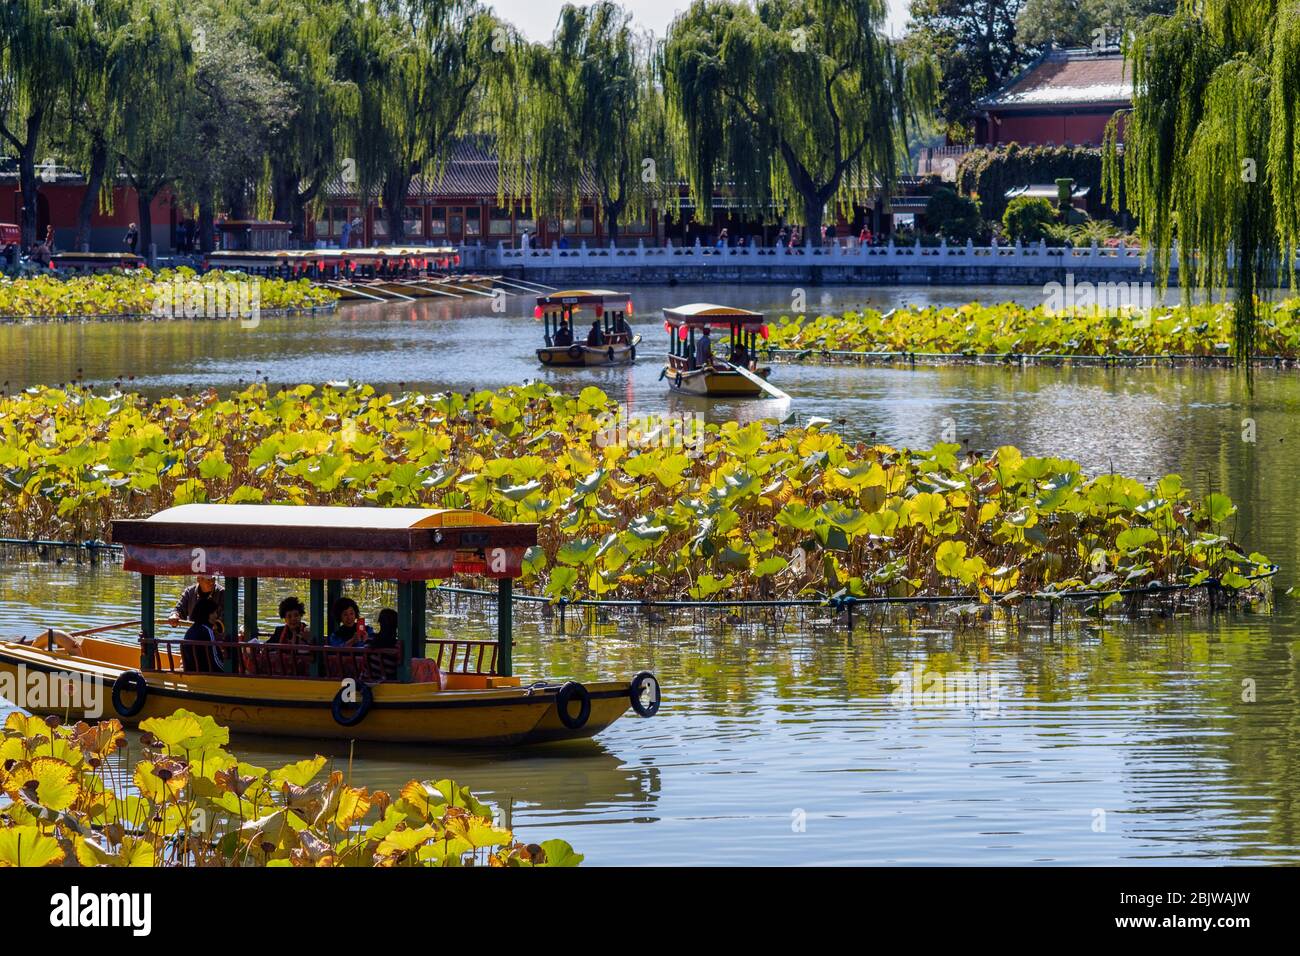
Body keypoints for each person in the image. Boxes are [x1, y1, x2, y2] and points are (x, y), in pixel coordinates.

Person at [181, 597, 223, 673]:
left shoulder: (190, 631)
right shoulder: (207, 631)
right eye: (213, 613)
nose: (216, 616)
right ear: (206, 614)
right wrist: (226, 670)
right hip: (206, 673)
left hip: (191, 671)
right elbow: (214, 659)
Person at [366, 607, 400, 680]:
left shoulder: (369, 641)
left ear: (380, 623)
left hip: (366, 680)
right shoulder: (397, 647)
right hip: (388, 682)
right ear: (396, 625)